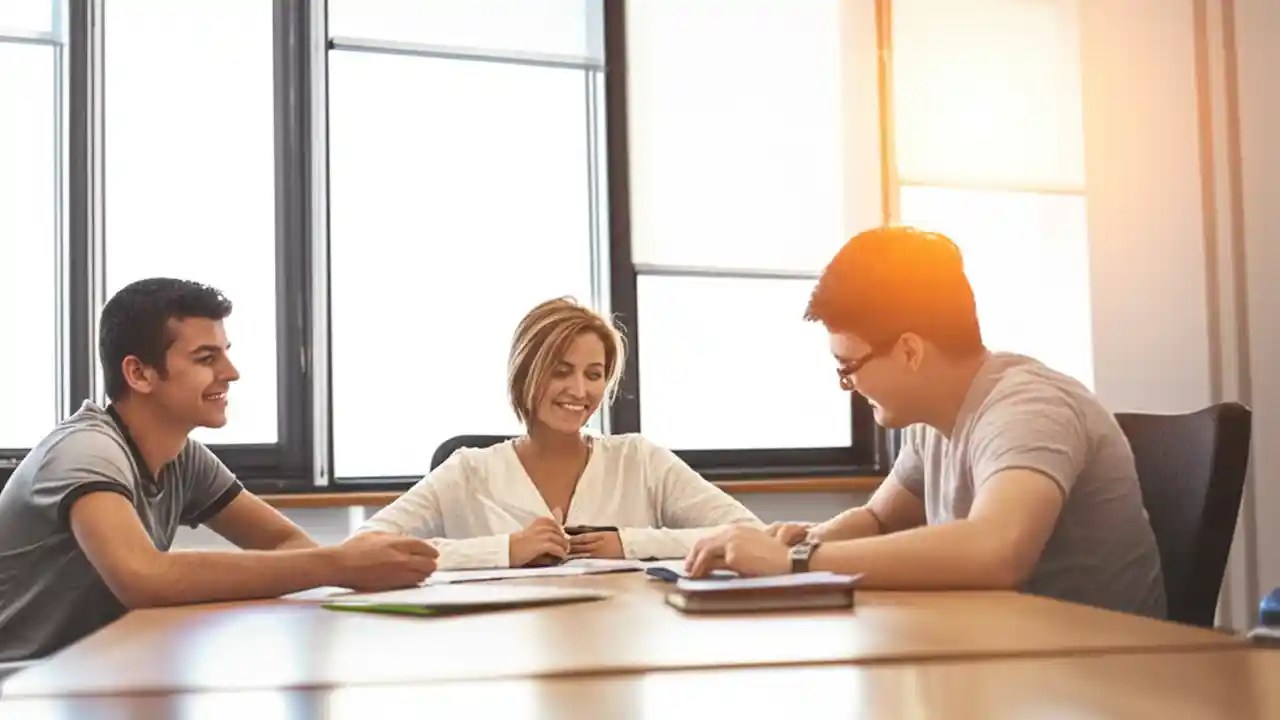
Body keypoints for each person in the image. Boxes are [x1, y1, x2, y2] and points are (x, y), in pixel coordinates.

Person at [685, 227, 1167, 618]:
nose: (846, 387)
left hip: (1095, 678)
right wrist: (808, 538)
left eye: (848, 367)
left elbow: (996, 551)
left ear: (910, 351)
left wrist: (796, 562)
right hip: (1008, 656)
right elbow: (877, 520)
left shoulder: (1028, 406)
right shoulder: (932, 418)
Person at [0, 278, 437, 662]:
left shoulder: (183, 457)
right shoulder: (86, 450)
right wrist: (337, 564)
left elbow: (284, 543)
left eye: (225, 354)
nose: (232, 373)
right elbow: (142, 577)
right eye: (207, 358)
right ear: (139, 373)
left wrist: (331, 565)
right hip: (22, 685)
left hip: (100, 669)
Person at [359, 297, 763, 569]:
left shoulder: (639, 460)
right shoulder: (468, 472)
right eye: (561, 371)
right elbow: (364, 548)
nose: (580, 391)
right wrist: (504, 550)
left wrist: (630, 544)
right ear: (527, 371)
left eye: (594, 375)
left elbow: (750, 536)